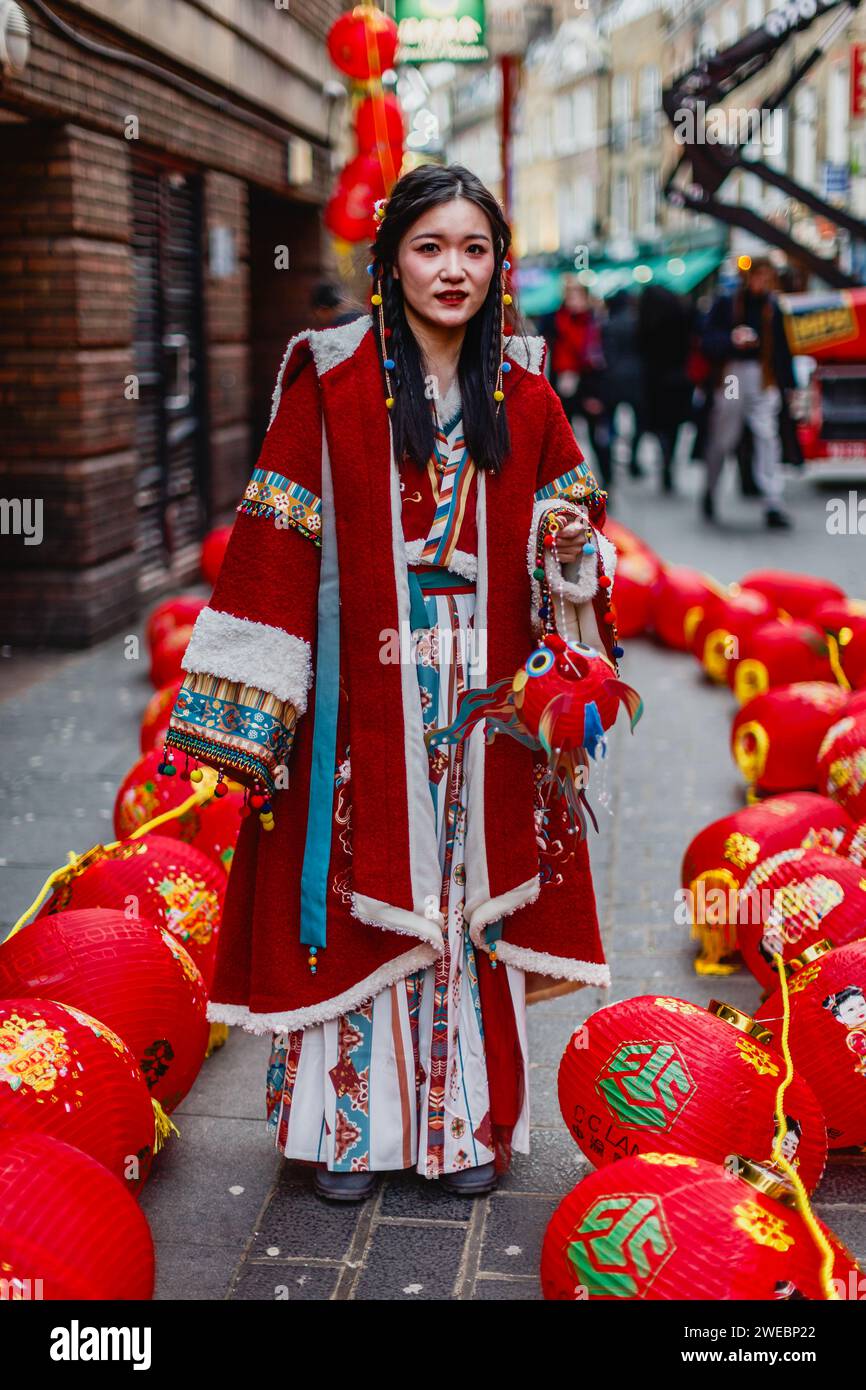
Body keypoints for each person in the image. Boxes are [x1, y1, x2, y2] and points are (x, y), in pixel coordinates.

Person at [163, 164, 622, 1203]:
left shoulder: (528, 389)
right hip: (356, 692)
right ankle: (349, 1131)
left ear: (497, 264)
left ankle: (461, 1124)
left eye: (472, 249)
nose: (451, 269)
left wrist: (568, 555)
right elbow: (277, 536)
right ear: (389, 262)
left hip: (485, 695)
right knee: (352, 891)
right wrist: (260, 701)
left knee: (464, 898)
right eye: (429, 247)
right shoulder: (327, 382)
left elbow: (581, 548)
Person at [700, 257, 795, 528]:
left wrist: (788, 385)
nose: (761, 283)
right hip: (733, 374)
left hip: (762, 375)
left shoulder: (772, 306)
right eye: (758, 277)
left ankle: (773, 500)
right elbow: (707, 339)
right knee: (724, 434)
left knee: (767, 435)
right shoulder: (726, 303)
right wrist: (731, 339)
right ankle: (711, 487)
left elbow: (782, 348)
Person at [549, 279, 613, 493]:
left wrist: (598, 396)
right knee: (564, 442)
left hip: (590, 389)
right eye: (570, 296)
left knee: (599, 440)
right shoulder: (556, 322)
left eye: (577, 296)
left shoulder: (595, 324)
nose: (573, 301)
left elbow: (602, 362)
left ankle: (606, 481)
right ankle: (569, 485)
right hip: (563, 388)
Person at [636, 285, 696, 494]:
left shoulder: (647, 320)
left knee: (660, 425)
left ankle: (665, 456)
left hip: (655, 381)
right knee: (674, 426)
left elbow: (640, 348)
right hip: (679, 380)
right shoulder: (682, 316)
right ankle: (669, 458)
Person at [601, 290, 647, 479]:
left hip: (613, 380)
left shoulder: (608, 324)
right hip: (636, 379)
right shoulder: (638, 323)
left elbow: (606, 354)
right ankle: (634, 458)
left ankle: (609, 460)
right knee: (639, 423)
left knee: (610, 422)